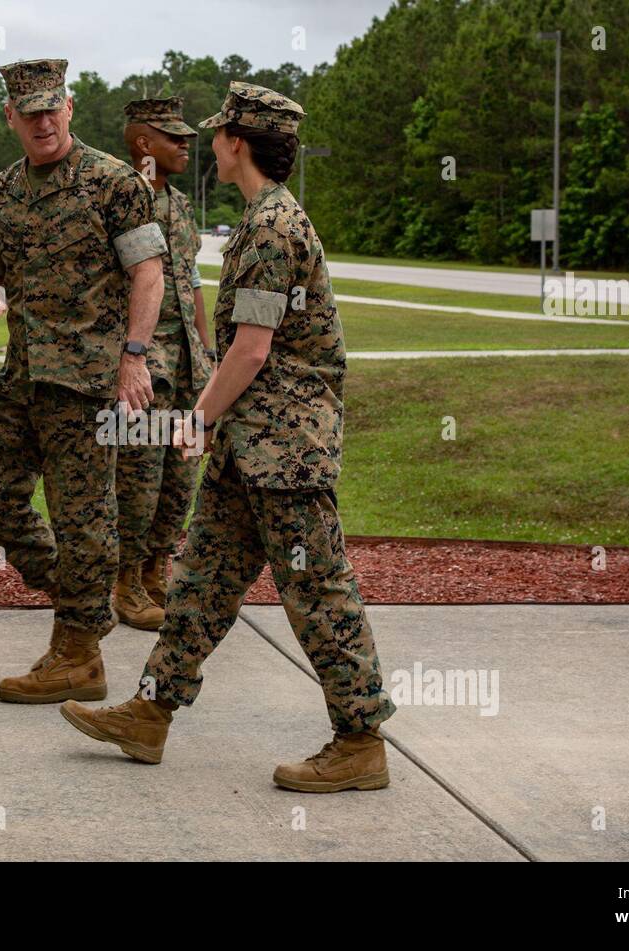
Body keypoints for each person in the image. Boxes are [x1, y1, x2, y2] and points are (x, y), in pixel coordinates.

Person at [61, 82, 398, 792]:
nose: (208, 142)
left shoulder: (274, 228)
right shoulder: (261, 220)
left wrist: (197, 418)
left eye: (216, 133)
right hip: (254, 448)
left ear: (236, 143)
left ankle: (360, 739)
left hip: (286, 450)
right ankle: (149, 715)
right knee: (202, 583)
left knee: (318, 593)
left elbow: (249, 349)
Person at [0, 59, 166, 704]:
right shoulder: (0, 191)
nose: (43, 121)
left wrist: (134, 357)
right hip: (23, 374)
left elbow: (148, 274)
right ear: (11, 118)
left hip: (88, 383)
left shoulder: (112, 182)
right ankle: (83, 597)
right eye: (30, 113)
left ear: (71, 108)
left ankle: (77, 654)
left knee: (85, 518)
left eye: (53, 109)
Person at [112, 97, 213, 630]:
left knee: (179, 482)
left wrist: (208, 348)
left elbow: (191, 281)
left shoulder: (178, 203)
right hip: (145, 371)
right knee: (138, 483)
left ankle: (155, 573)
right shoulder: (115, 197)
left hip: (188, 368)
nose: (186, 146)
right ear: (143, 143)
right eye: (174, 137)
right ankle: (125, 584)